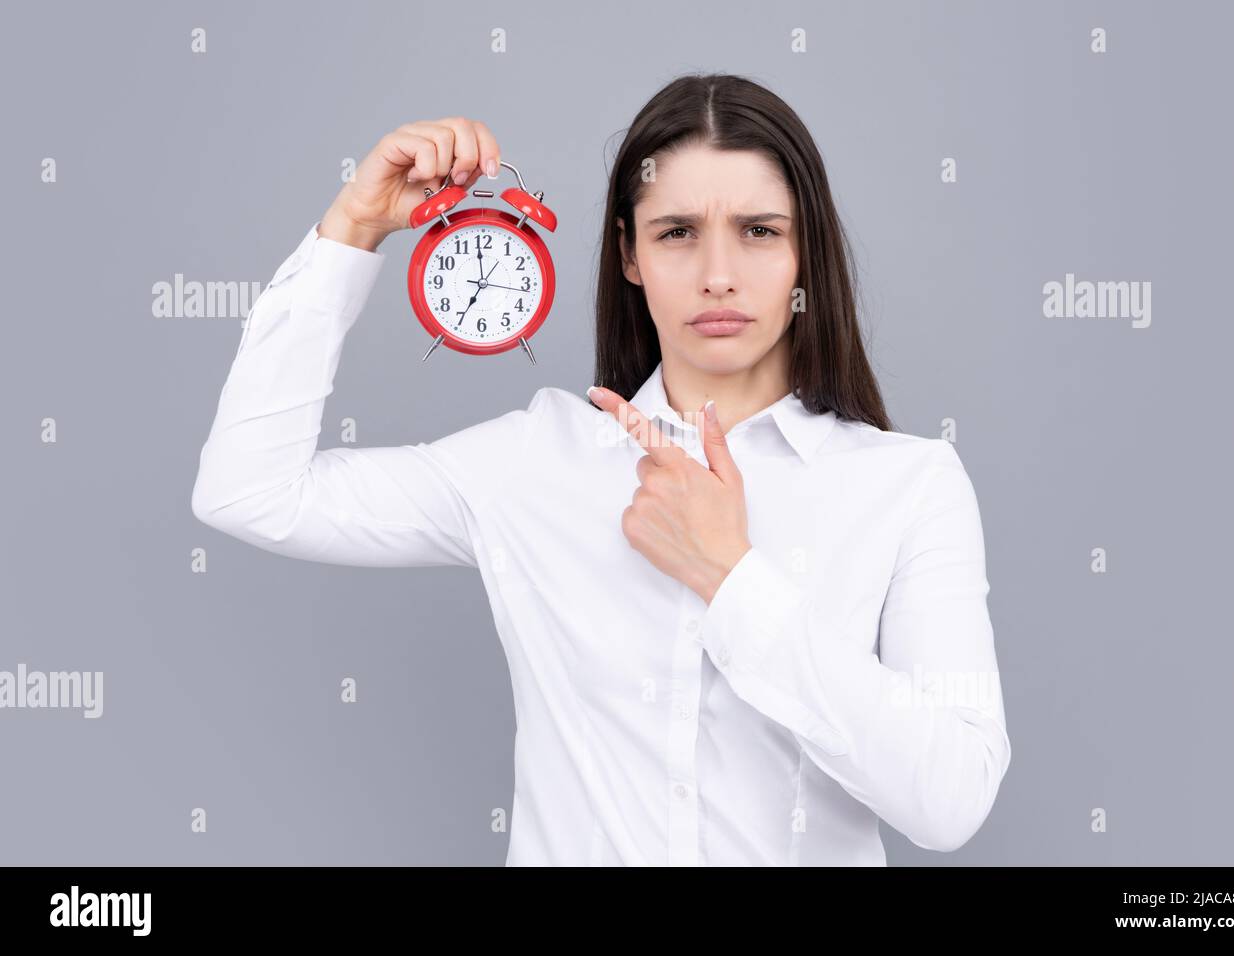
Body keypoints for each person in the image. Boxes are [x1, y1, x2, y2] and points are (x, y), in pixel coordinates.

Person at [190, 73, 1011, 866]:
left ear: (806, 253)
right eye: (677, 232)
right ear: (629, 253)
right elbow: (250, 492)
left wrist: (731, 578)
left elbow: (951, 803)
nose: (718, 275)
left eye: (760, 231)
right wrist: (354, 227)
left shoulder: (909, 484)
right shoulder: (533, 462)